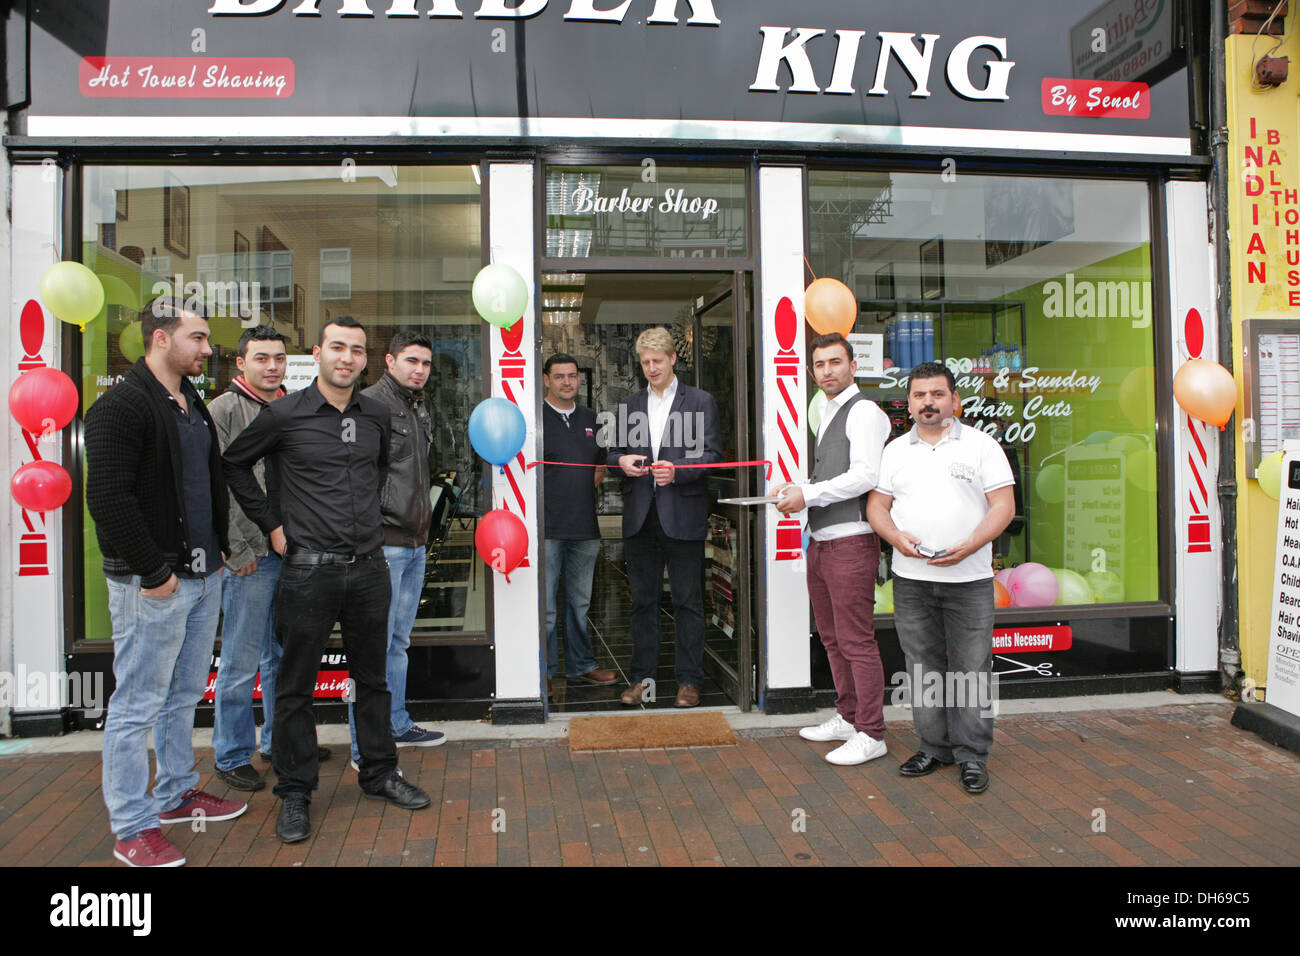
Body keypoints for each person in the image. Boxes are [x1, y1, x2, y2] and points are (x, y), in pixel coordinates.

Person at [223, 316, 430, 844]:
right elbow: (233, 465)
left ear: (366, 359)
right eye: (337, 347)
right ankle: (295, 791)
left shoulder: (377, 416)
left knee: (374, 679)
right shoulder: (283, 415)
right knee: (294, 687)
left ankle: (380, 773)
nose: (347, 357)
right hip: (307, 573)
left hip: (369, 570)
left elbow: (379, 473)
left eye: (357, 350)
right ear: (317, 353)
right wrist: (270, 524)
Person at [86, 295, 246, 867]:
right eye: (197, 338)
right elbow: (107, 499)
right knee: (135, 707)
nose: (207, 348)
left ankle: (175, 792)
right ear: (161, 338)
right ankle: (131, 826)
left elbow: (206, 480)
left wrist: (222, 548)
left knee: (181, 697)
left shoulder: (190, 402)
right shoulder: (121, 408)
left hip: (203, 578)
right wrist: (154, 574)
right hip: (152, 585)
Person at [866, 361, 1015, 795]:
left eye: (936, 394)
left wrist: (971, 544)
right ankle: (934, 746)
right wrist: (894, 536)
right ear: (909, 402)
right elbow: (877, 507)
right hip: (911, 578)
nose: (928, 402)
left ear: (955, 400)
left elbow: (1003, 506)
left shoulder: (982, 446)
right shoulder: (895, 451)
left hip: (969, 579)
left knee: (971, 668)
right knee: (923, 667)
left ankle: (972, 755)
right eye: (919, 395)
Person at [210, 325, 333, 791]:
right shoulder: (221, 411)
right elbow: (217, 486)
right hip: (251, 558)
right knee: (240, 662)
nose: (272, 366)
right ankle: (232, 753)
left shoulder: (293, 408)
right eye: (261, 358)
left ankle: (282, 743)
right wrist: (237, 550)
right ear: (241, 363)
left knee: (283, 658)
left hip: (295, 553)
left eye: (279, 358)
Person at [773, 333, 892, 766]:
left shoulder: (864, 413)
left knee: (857, 641)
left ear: (852, 365)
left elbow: (864, 476)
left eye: (835, 362)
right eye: (819, 365)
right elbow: (832, 476)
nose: (827, 371)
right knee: (832, 638)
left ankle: (872, 732)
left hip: (851, 542)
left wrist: (807, 494)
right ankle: (848, 716)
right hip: (822, 543)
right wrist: (795, 490)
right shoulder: (828, 411)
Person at [346, 330, 448, 768]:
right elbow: (355, 479)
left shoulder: (417, 405)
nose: (419, 370)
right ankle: (363, 748)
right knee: (373, 646)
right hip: (383, 544)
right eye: (411, 361)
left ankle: (396, 724)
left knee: (398, 642)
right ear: (389, 361)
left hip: (414, 541)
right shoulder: (370, 405)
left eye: (425, 363)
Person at [609, 327, 722, 708]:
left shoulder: (701, 401)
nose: (652, 368)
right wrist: (620, 462)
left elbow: (711, 456)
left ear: (674, 359)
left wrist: (679, 471)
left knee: (689, 601)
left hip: (683, 515)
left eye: (658, 360)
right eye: (645, 362)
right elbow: (611, 457)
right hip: (641, 518)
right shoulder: (629, 406)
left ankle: (689, 681)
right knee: (642, 602)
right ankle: (643, 680)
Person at [541, 353, 617, 692]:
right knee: (545, 610)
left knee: (579, 605)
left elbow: (600, 467)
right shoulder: (536, 419)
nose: (567, 382)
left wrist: (577, 492)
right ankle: (543, 669)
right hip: (547, 530)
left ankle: (580, 666)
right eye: (559, 377)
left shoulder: (592, 419)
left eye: (572, 376)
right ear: (547, 380)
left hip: (585, 529)